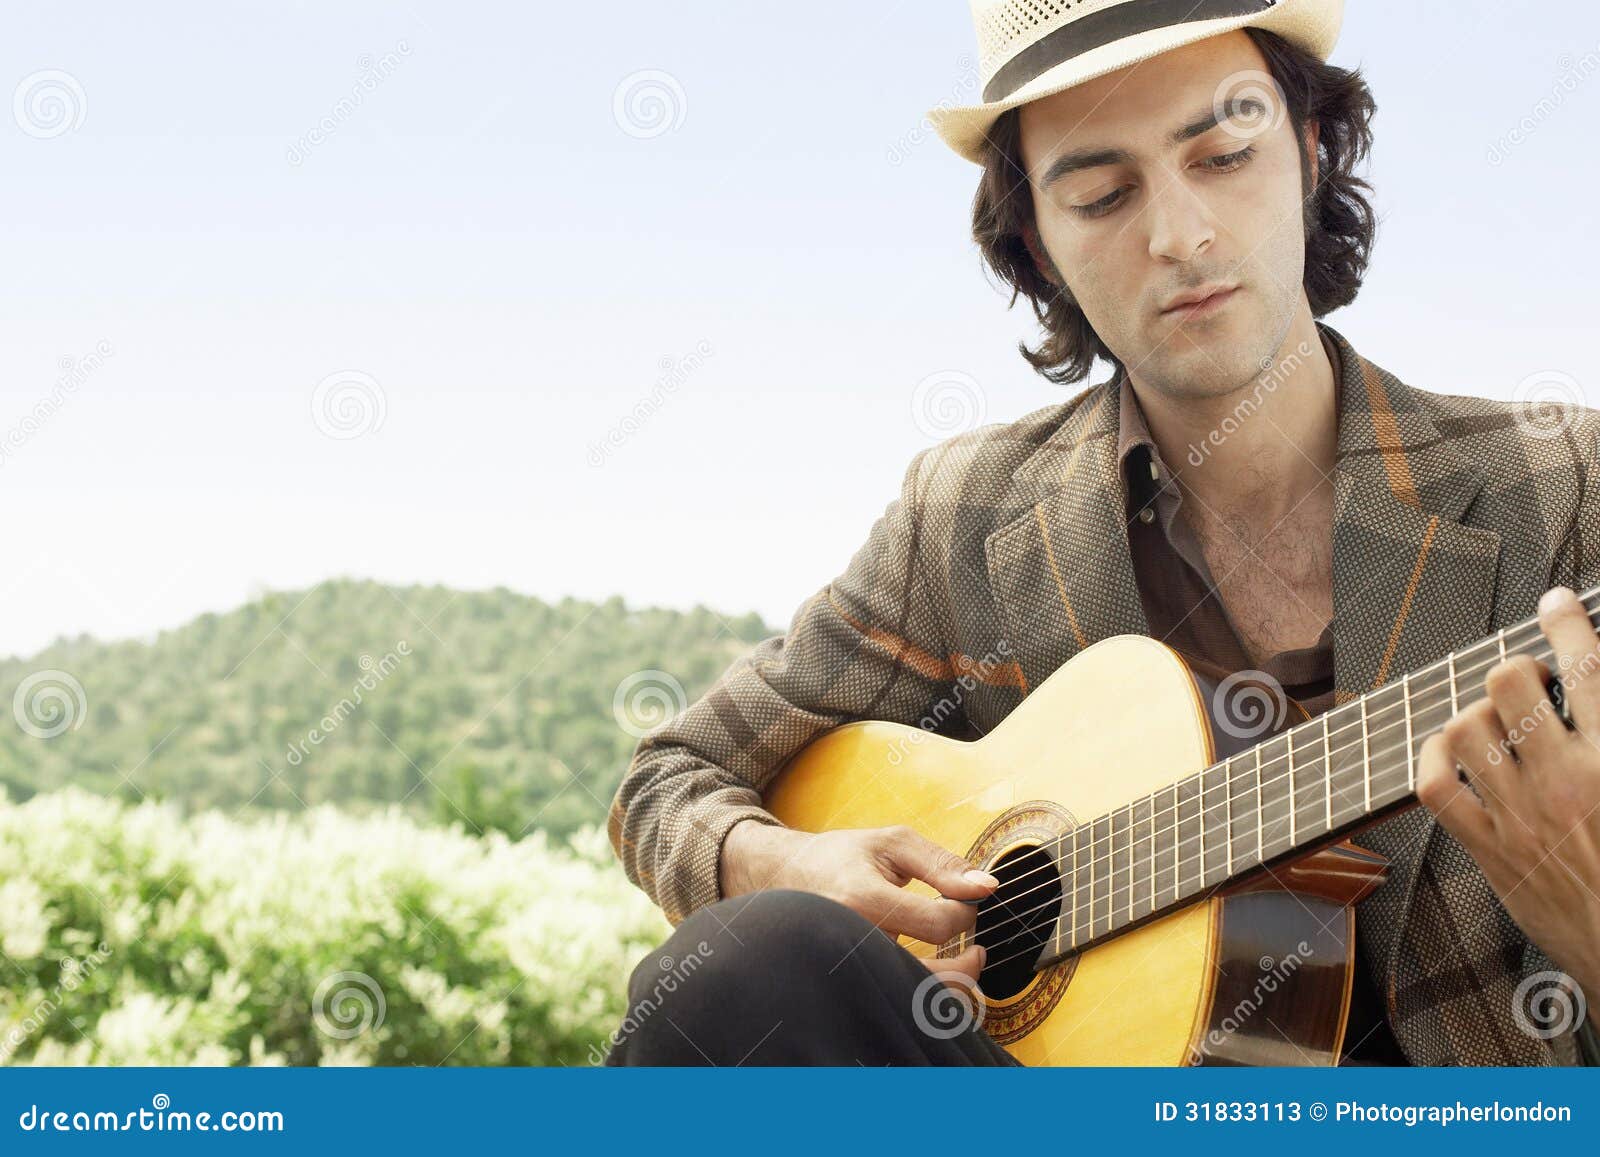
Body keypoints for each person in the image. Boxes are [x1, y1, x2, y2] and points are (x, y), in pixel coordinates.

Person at [604, 0, 1600, 1066]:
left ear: (1310, 153)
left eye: (1223, 154)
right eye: (1102, 194)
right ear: (1038, 238)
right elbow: (671, 779)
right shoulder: (968, 516)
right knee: (767, 956)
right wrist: (781, 867)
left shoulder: (1564, 487)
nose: (1180, 236)